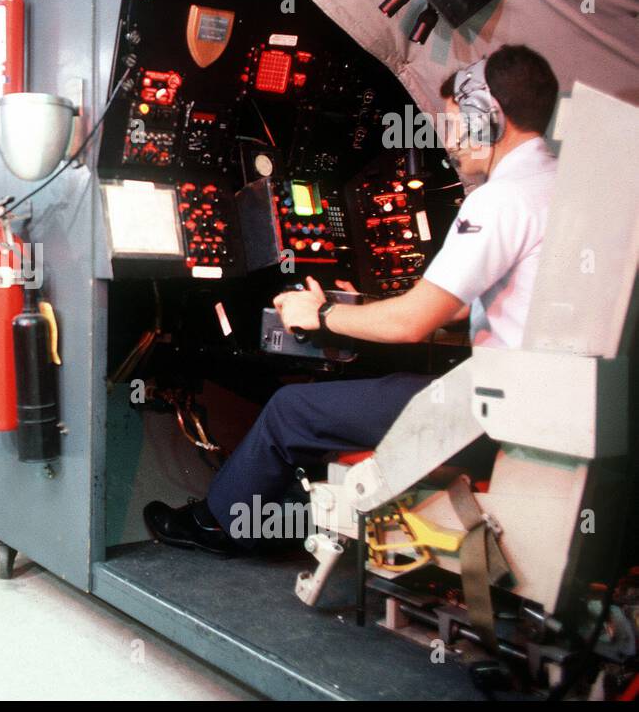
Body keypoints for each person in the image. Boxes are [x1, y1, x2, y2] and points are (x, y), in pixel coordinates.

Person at [144, 44, 560, 552]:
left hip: (486, 412)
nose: (450, 141)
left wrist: (321, 313)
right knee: (383, 385)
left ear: (487, 115)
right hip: (545, 408)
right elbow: (458, 306)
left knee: (291, 409)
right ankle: (292, 515)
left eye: (456, 122)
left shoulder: (499, 199)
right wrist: (365, 308)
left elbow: (412, 323)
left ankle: (221, 524)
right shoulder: (559, 186)